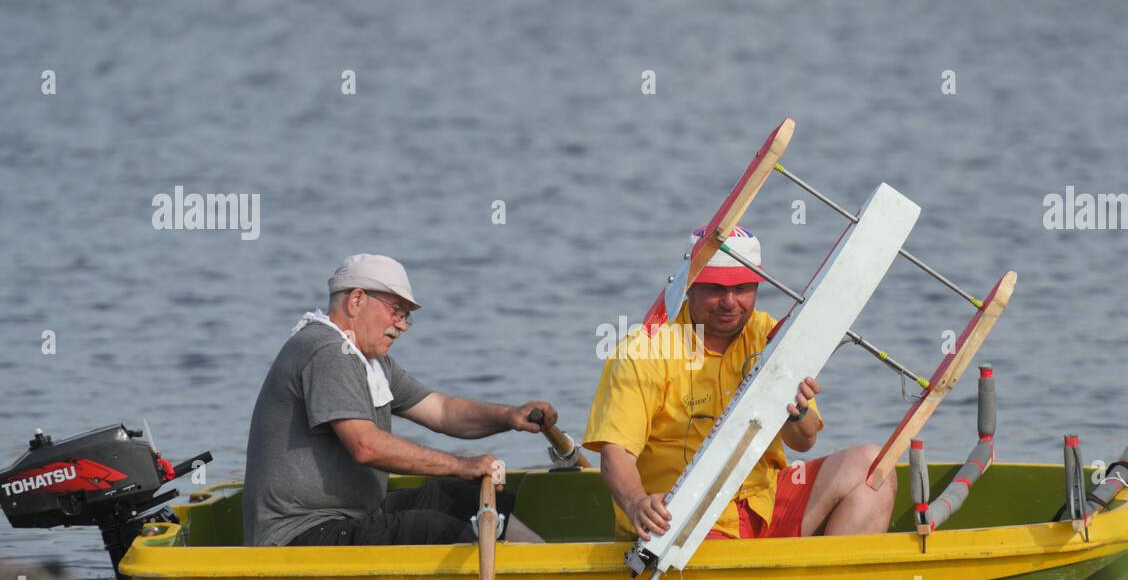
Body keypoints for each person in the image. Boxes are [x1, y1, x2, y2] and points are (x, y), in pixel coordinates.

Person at [583, 227, 897, 542]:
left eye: (743, 288)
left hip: (766, 503)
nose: (730, 303)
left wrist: (797, 413)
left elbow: (804, 441)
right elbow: (616, 454)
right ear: (689, 285)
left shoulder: (772, 334)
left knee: (874, 466)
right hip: (680, 522)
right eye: (716, 289)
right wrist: (638, 502)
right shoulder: (645, 349)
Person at [243, 253, 556, 547]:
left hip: (352, 517)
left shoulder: (371, 362)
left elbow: (443, 412)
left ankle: (546, 567)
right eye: (396, 311)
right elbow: (366, 446)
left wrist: (509, 416)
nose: (403, 325)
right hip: (301, 535)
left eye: (407, 316)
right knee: (431, 529)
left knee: (461, 496)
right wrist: (461, 464)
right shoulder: (326, 350)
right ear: (356, 300)